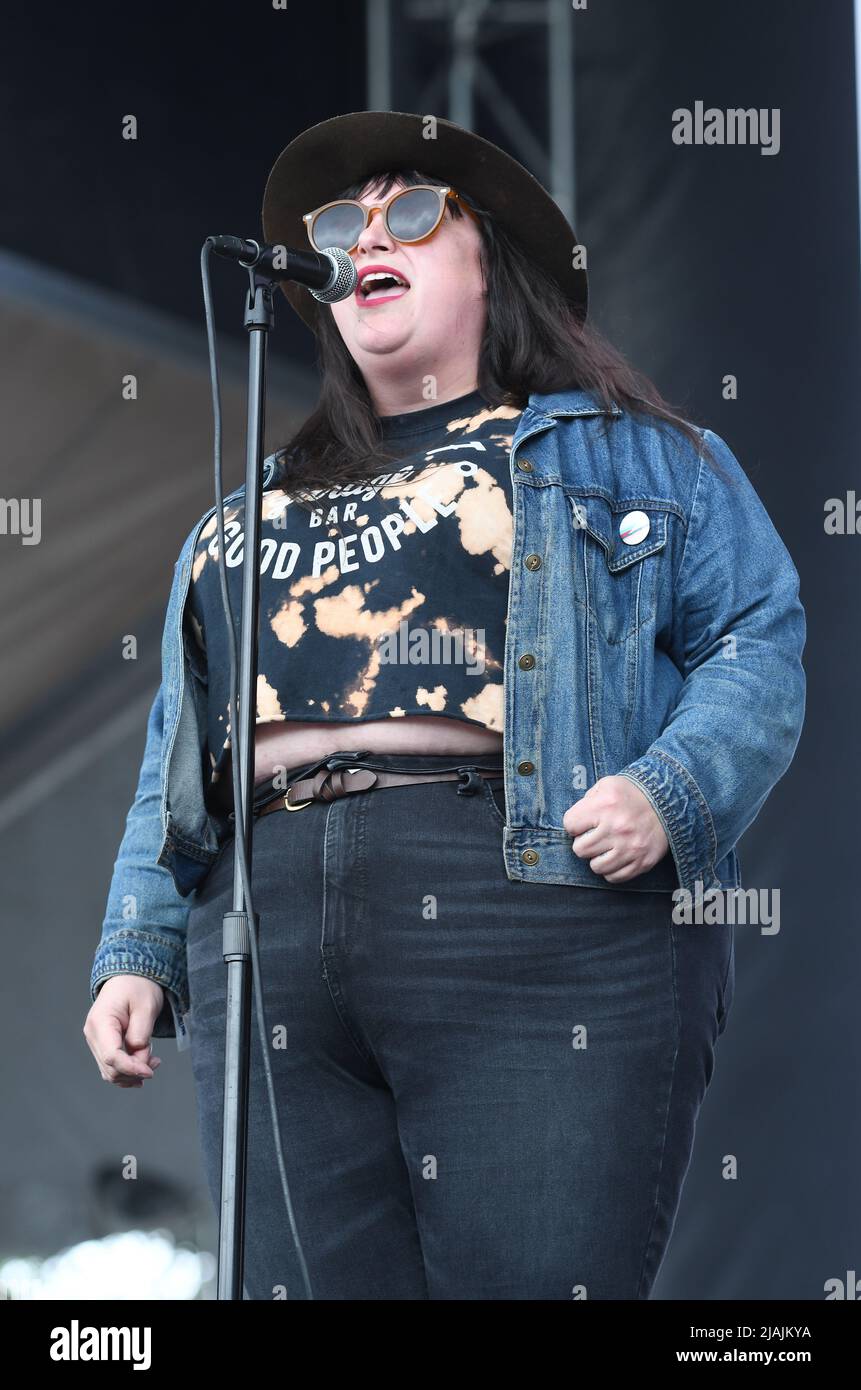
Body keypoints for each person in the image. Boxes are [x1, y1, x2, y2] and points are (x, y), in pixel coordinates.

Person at [84, 111, 806, 1299]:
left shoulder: (625, 458)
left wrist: (668, 790)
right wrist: (138, 946)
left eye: (412, 210)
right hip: (266, 935)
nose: (366, 233)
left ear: (494, 266)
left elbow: (758, 637)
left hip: (523, 904)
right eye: (339, 221)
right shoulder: (245, 512)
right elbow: (181, 755)